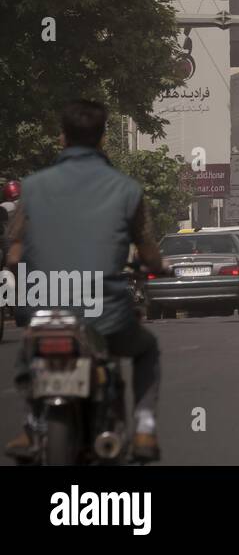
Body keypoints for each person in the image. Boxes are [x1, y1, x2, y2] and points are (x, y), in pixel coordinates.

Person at [5, 100, 167, 462]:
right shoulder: (126, 189)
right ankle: (142, 429)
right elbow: (149, 252)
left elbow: (14, 253)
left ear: (62, 138)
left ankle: (31, 425)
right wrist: (160, 266)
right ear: (103, 139)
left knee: (27, 352)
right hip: (104, 316)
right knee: (146, 349)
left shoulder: (31, 188)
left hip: (44, 312)